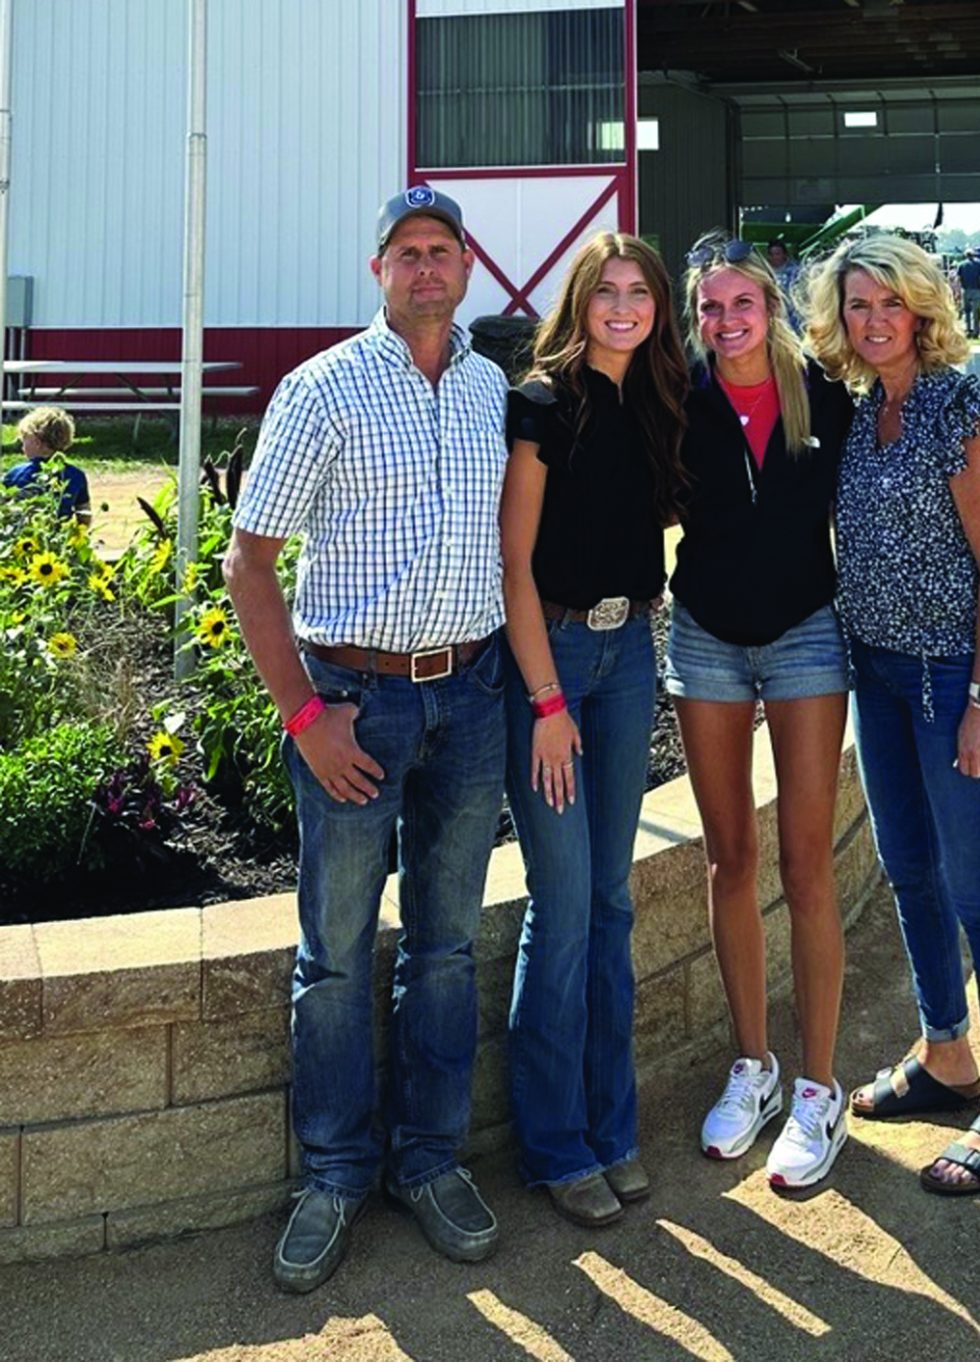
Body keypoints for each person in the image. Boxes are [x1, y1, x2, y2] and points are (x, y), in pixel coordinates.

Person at [226, 187, 509, 1292]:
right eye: (407, 253)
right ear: (376, 269)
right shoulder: (324, 389)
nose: (426, 269)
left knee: (443, 946)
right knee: (337, 955)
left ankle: (428, 1163)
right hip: (359, 701)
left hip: (471, 699)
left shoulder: (488, 389)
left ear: (467, 268)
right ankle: (335, 1175)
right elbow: (250, 564)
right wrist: (305, 716)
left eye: (442, 251)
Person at [803, 233, 980, 1196]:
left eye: (888, 305)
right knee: (909, 872)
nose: (872, 322)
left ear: (922, 312)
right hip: (881, 676)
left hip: (958, 684)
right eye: (856, 306)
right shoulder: (864, 416)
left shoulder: (959, 413)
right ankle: (948, 1056)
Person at [499, 232, 690, 1228]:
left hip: (629, 663)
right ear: (581, 301)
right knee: (563, 904)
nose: (622, 306)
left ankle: (614, 1129)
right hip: (559, 664)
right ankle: (555, 1143)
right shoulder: (541, 401)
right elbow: (514, 565)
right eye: (606, 291)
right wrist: (542, 704)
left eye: (639, 292)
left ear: (660, 307)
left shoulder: (662, 399)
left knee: (611, 903)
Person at [668, 232, 854, 1188]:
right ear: (695, 316)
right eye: (711, 308)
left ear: (770, 308)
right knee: (728, 856)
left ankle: (822, 1089)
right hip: (703, 635)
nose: (728, 322)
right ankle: (756, 1067)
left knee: (805, 861)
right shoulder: (679, 399)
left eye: (743, 304)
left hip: (804, 635)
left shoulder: (822, 393)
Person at [4, 406, 91, 523]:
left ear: (37, 442)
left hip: (22, 536)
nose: (22, 446)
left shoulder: (16, 474)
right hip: (59, 538)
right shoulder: (76, 475)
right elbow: (84, 514)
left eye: (24, 439)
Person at [766, 238, 803, 331]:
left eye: (777, 254)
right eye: (772, 254)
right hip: (773, 317)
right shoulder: (764, 273)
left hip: (793, 318)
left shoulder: (796, 272)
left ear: (784, 254)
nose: (775, 257)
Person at [956, 249, 980, 339]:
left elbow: (958, 280)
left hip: (965, 291)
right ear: (973, 255)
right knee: (976, 312)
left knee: (967, 312)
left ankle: (968, 331)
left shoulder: (961, 265)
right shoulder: (978, 265)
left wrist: (957, 292)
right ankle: (976, 332)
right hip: (976, 290)